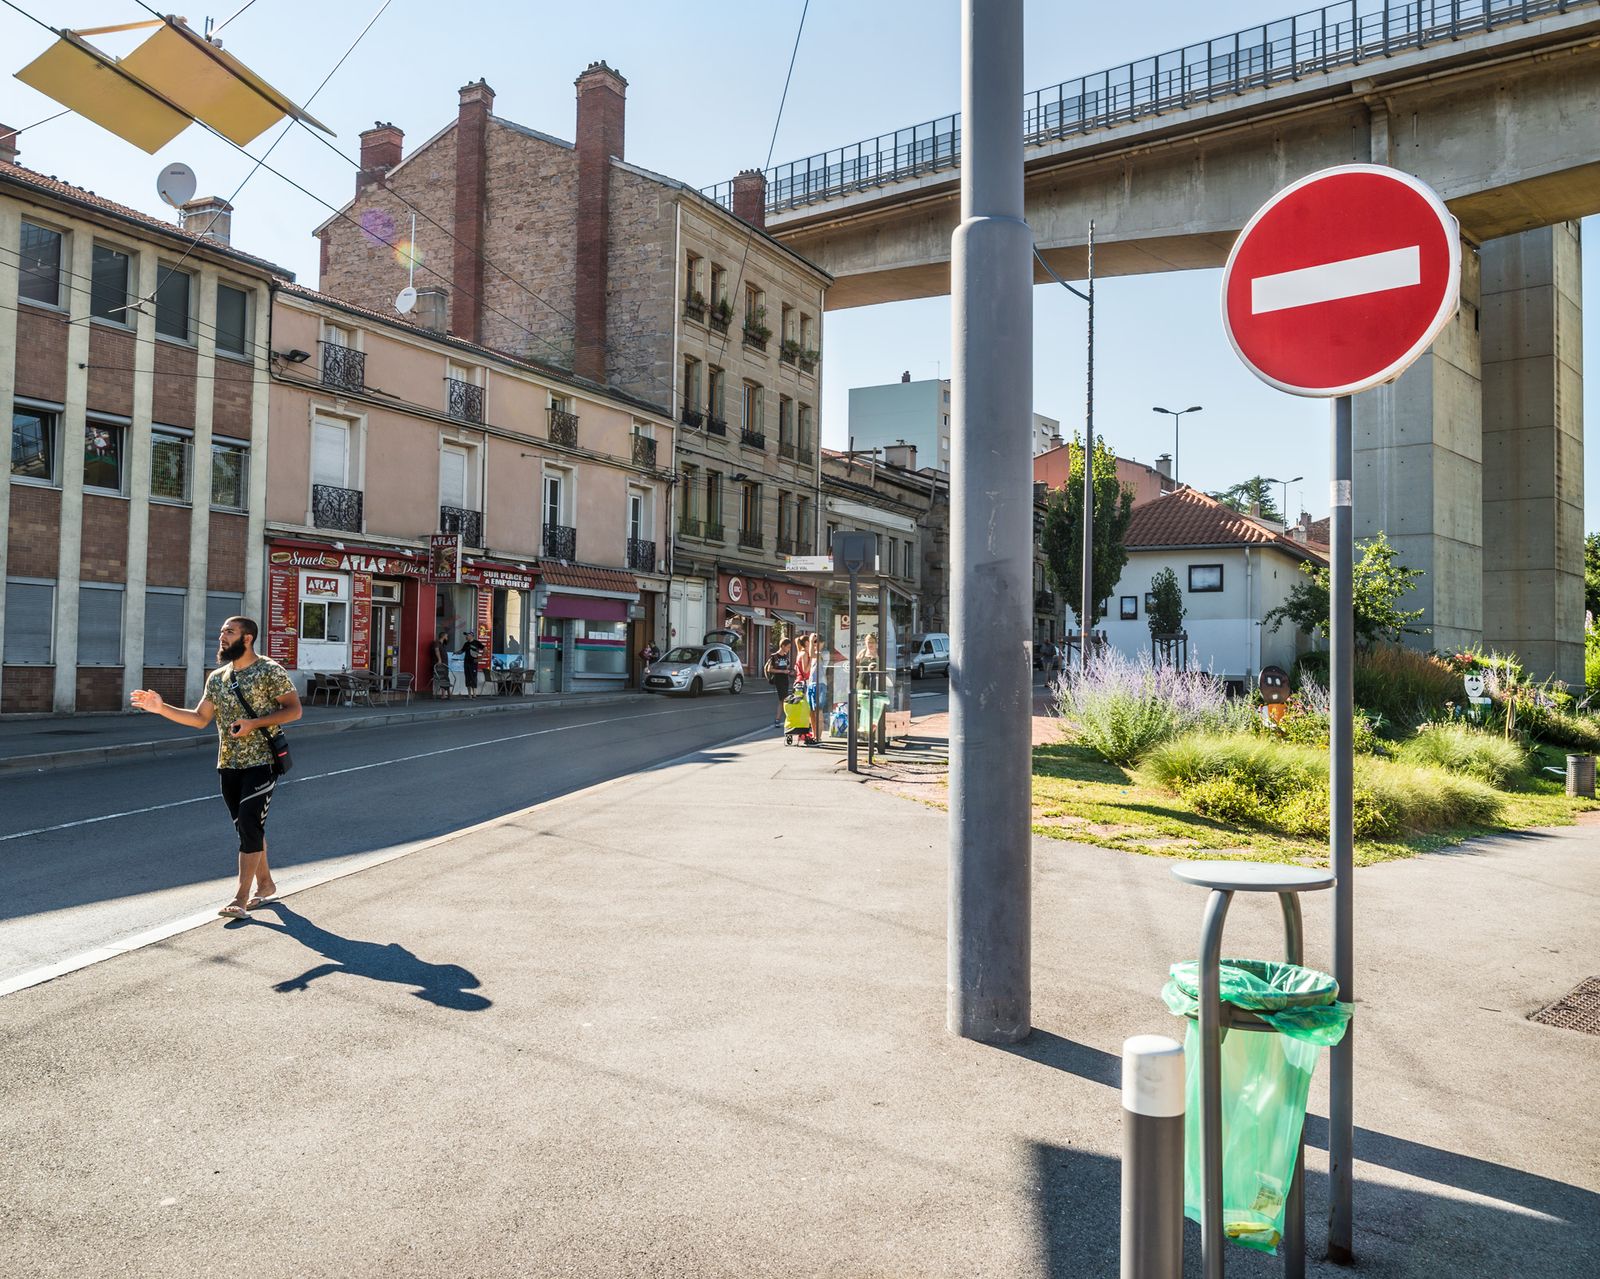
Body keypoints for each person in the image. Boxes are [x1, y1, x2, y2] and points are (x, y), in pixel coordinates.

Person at [130, 616, 302, 920]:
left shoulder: (268, 670)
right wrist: (161, 708)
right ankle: (266, 883)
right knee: (247, 827)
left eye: (229, 632)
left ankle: (240, 897)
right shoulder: (218, 678)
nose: (222, 636)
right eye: (221, 631)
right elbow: (199, 719)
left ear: (247, 638)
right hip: (228, 763)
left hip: (262, 760)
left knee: (249, 824)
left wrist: (254, 724)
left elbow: (294, 710)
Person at [764, 636, 795, 725]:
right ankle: (785, 718)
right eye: (788, 647)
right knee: (784, 699)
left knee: (782, 700)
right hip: (778, 680)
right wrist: (782, 671)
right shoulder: (774, 657)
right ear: (782, 646)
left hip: (785, 679)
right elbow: (769, 669)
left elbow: (787, 667)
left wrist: (790, 672)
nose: (789, 649)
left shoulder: (786, 657)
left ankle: (778, 719)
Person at [458, 630, 486, 698]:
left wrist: (481, 658)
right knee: (467, 677)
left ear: (471, 636)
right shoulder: (466, 644)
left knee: (473, 677)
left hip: (473, 662)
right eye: (466, 635)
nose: (466, 637)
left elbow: (485, 649)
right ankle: (469, 694)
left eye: (467, 635)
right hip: (466, 662)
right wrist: (456, 652)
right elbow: (462, 651)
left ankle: (474, 694)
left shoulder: (477, 643)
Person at [429, 631, 451, 698]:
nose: (447, 638)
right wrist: (439, 659)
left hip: (444, 663)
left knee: (445, 677)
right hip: (440, 663)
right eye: (446, 636)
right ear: (443, 636)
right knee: (442, 677)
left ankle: (445, 694)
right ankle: (445, 694)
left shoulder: (443, 644)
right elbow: (436, 650)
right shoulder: (437, 643)